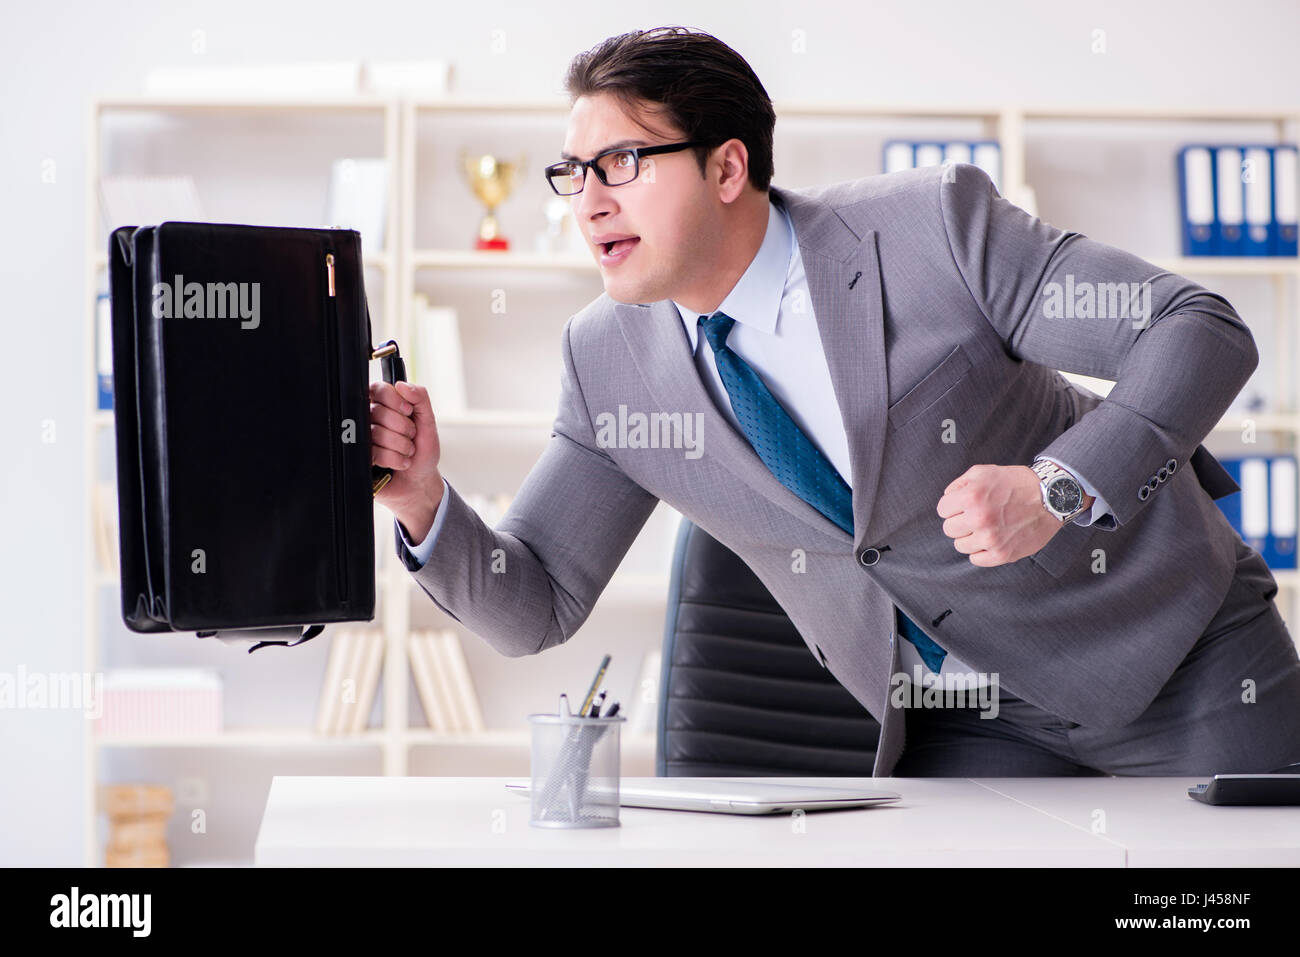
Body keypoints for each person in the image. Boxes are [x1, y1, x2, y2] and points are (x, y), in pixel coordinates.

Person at [368, 25, 1300, 776]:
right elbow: (535, 602)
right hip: (970, 722)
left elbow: (1194, 327)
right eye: (573, 174)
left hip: (1184, 662)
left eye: (621, 163)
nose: (588, 201)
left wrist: (1058, 487)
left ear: (727, 168)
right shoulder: (607, 361)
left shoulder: (931, 229)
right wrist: (421, 501)